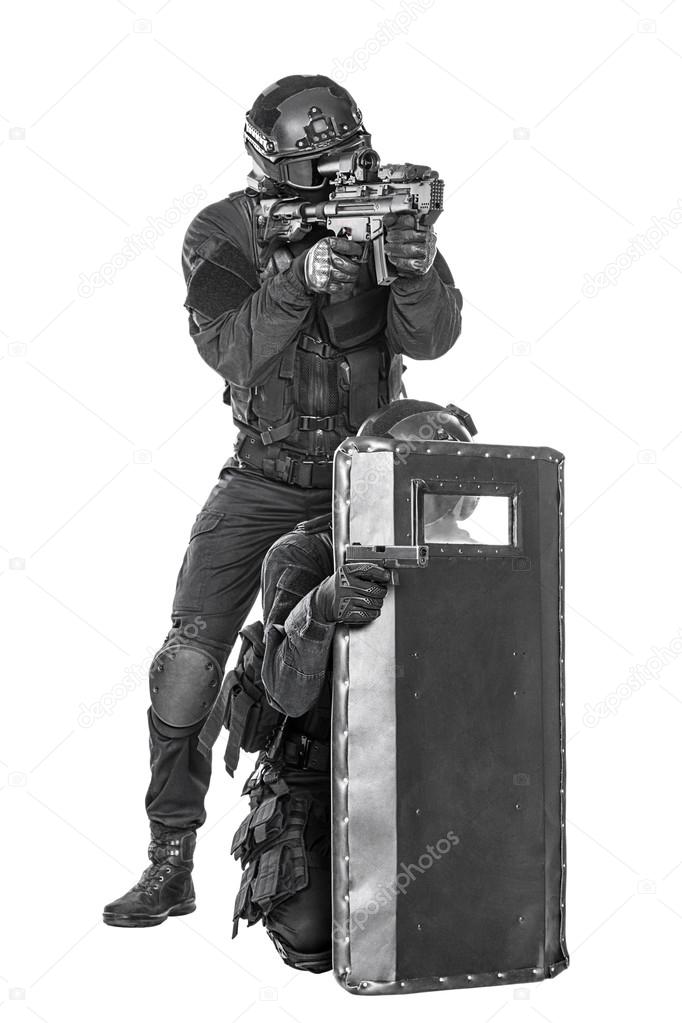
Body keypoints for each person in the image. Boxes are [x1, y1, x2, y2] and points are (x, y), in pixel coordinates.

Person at [103, 75, 462, 928]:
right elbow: (232, 354)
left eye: (353, 159)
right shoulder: (222, 232)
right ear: (281, 172)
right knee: (188, 659)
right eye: (325, 169)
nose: (347, 181)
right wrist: (300, 276)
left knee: (428, 647)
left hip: (372, 467)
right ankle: (170, 854)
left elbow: (434, 339)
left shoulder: (383, 204)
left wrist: (410, 269)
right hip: (264, 475)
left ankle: (410, 844)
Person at [229, 400, 475, 972]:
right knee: (315, 939)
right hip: (319, 772)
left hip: (418, 764)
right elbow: (287, 694)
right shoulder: (305, 551)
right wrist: (321, 609)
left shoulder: (460, 554)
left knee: (458, 919)